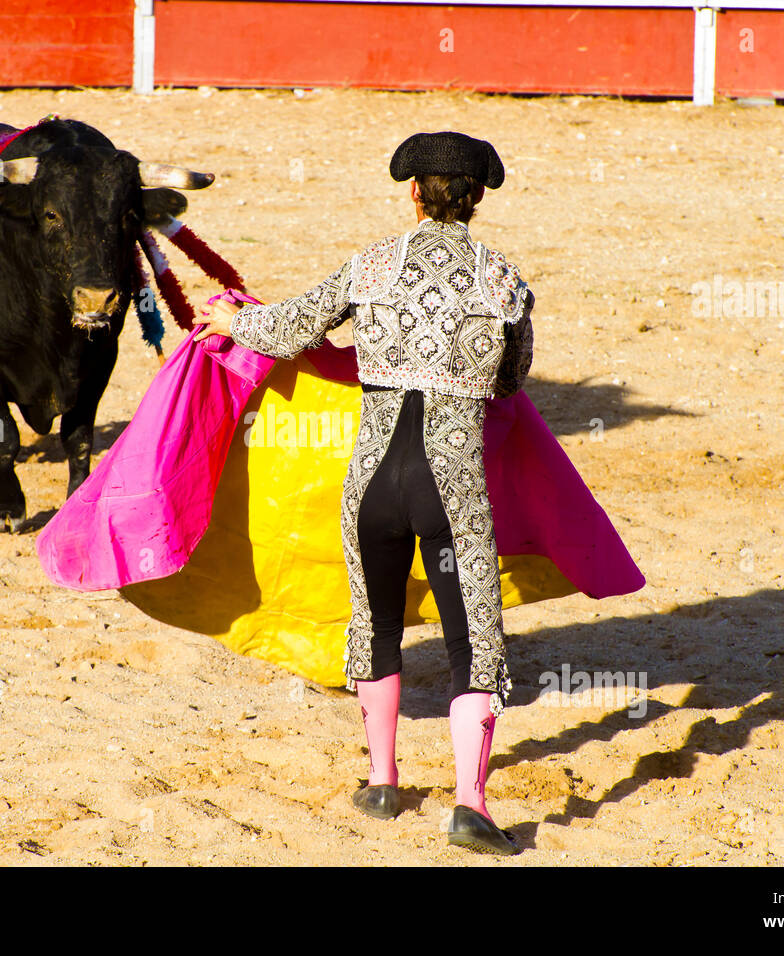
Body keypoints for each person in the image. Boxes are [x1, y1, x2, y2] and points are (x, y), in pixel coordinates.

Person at [193, 131, 533, 856]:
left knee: (375, 624)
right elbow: (511, 381)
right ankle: (470, 803)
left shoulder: (373, 265)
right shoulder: (505, 285)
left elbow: (288, 329)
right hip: (453, 497)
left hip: (373, 488)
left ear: (414, 192)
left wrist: (232, 321)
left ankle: (382, 782)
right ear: (477, 200)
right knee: (474, 644)